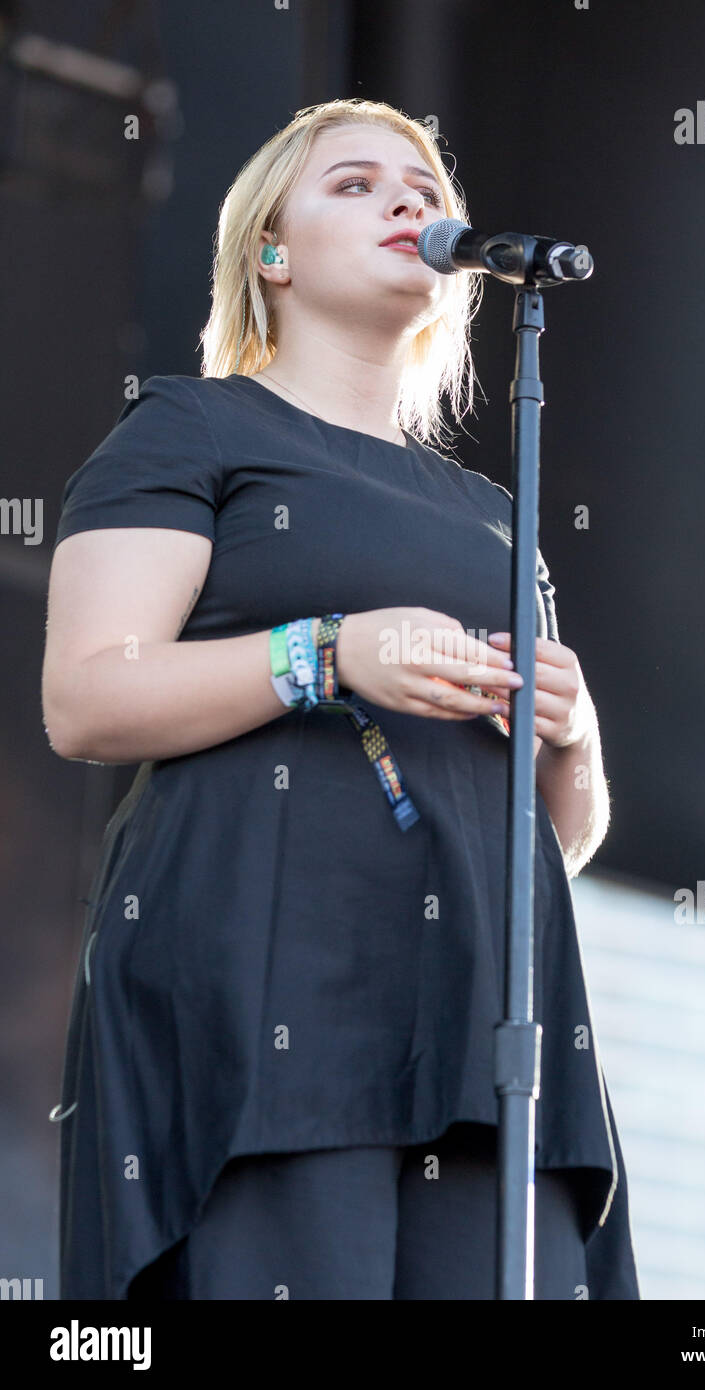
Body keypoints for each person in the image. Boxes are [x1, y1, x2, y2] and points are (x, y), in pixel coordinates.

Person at [42, 97, 640, 1301]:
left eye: (421, 186)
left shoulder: (491, 514)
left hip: (483, 1029)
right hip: (271, 992)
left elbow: (547, 843)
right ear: (269, 250)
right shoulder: (192, 427)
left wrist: (572, 740)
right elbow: (87, 699)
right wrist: (327, 652)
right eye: (354, 184)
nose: (407, 200)